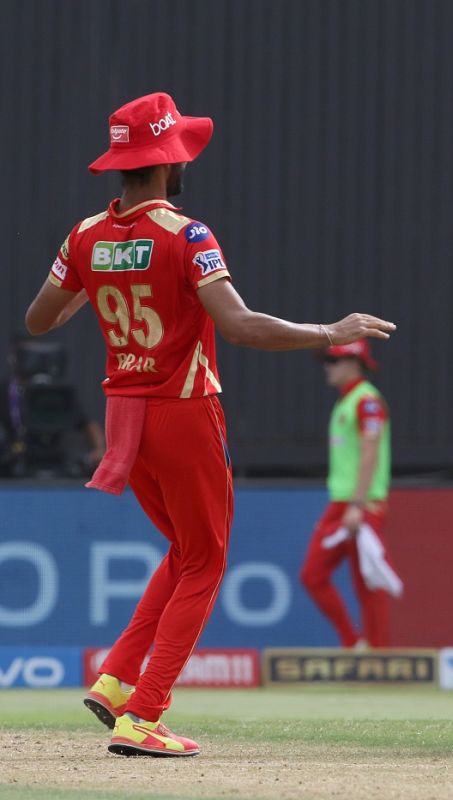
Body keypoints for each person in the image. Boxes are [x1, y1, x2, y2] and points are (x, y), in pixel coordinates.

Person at [24, 91, 394, 758]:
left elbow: (38, 320)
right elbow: (241, 325)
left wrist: (97, 287)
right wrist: (328, 332)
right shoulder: (185, 234)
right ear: (168, 161)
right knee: (208, 560)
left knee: (185, 551)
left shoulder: (84, 236)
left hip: (123, 418)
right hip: (184, 411)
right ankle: (145, 713)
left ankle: (114, 682)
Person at [299, 339, 402, 649]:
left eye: (333, 362)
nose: (327, 369)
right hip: (344, 503)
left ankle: (378, 654)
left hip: (360, 503)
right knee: (314, 575)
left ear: (354, 363)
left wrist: (357, 504)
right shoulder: (347, 401)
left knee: (367, 581)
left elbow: (370, 451)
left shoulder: (366, 401)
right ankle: (354, 643)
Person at [2, 337, 105, 477]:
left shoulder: (57, 393)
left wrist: (99, 450)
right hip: (15, 460)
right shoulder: (6, 390)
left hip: (58, 458)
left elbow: (88, 424)